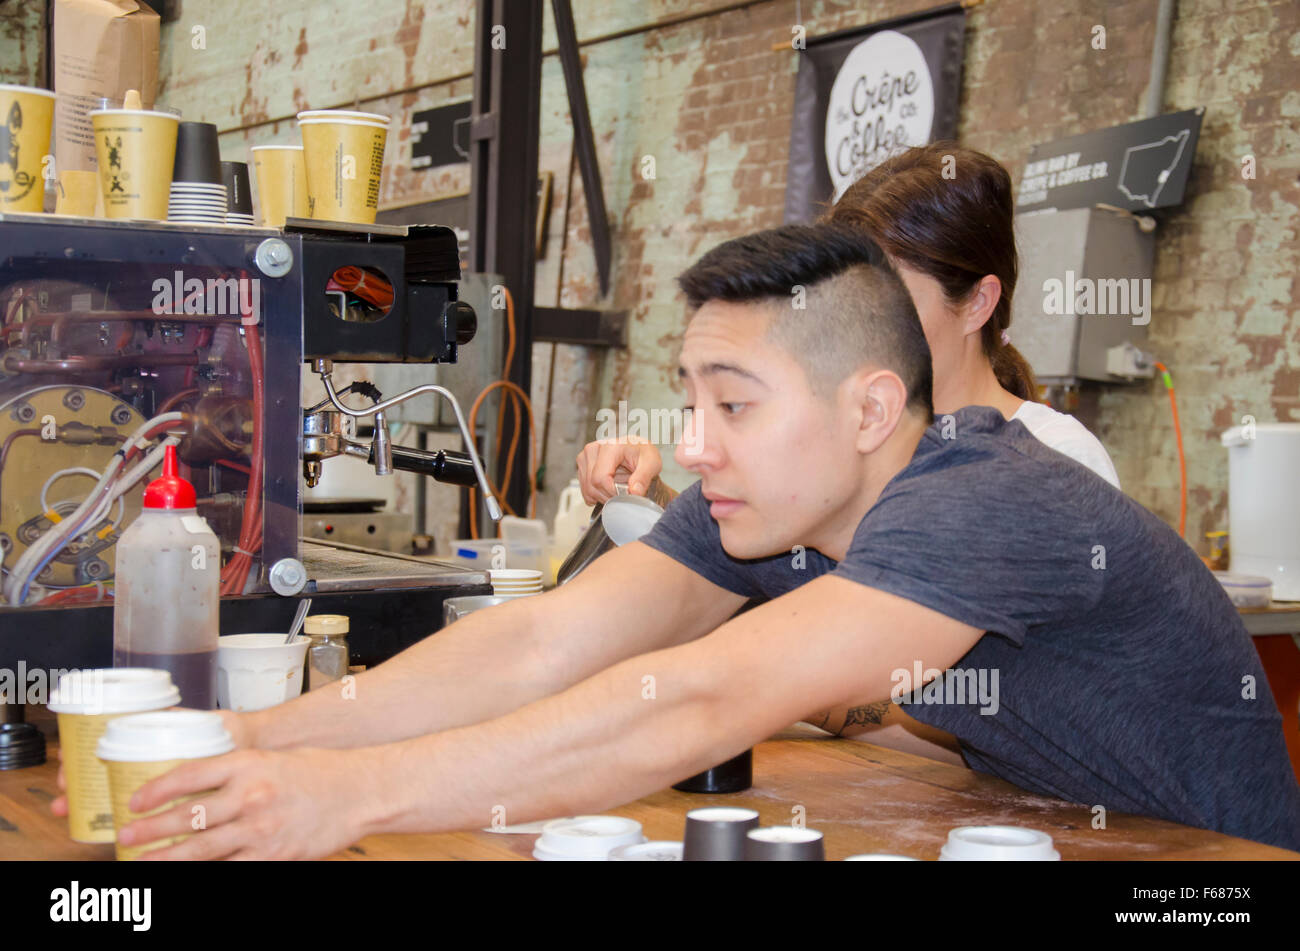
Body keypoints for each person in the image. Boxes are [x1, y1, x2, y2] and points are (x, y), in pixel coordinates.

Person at [52, 223, 1300, 857]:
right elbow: (544, 642)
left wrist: (335, 799)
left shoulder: (988, 497)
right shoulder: (774, 498)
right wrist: (245, 741)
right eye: (690, 398)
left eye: (733, 403)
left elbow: (694, 702)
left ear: (870, 408)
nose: (694, 442)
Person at [576, 143, 1118, 757]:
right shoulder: (851, 438)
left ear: (978, 303)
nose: (860, 323)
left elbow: (970, 729)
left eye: (890, 298)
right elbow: (787, 559)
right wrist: (663, 507)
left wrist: (768, 690)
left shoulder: (1047, 465)